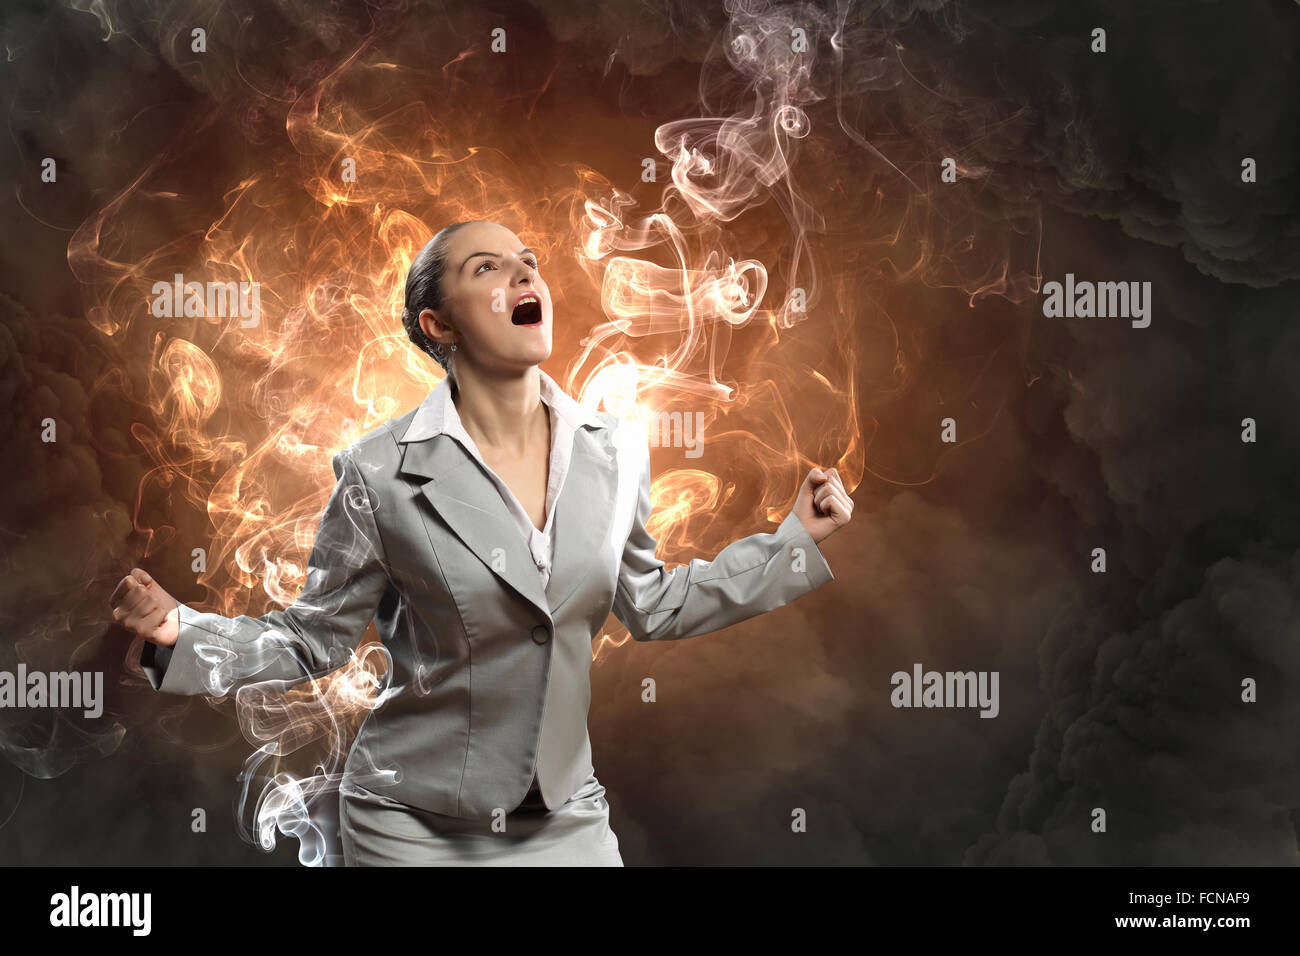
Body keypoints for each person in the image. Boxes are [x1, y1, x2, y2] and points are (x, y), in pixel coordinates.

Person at [110, 219, 853, 865]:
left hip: (566, 821)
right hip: (411, 825)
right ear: (440, 326)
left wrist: (793, 543)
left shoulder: (617, 452)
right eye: (487, 267)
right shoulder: (379, 471)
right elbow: (314, 638)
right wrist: (182, 633)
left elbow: (654, 605)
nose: (524, 272)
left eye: (527, 260)